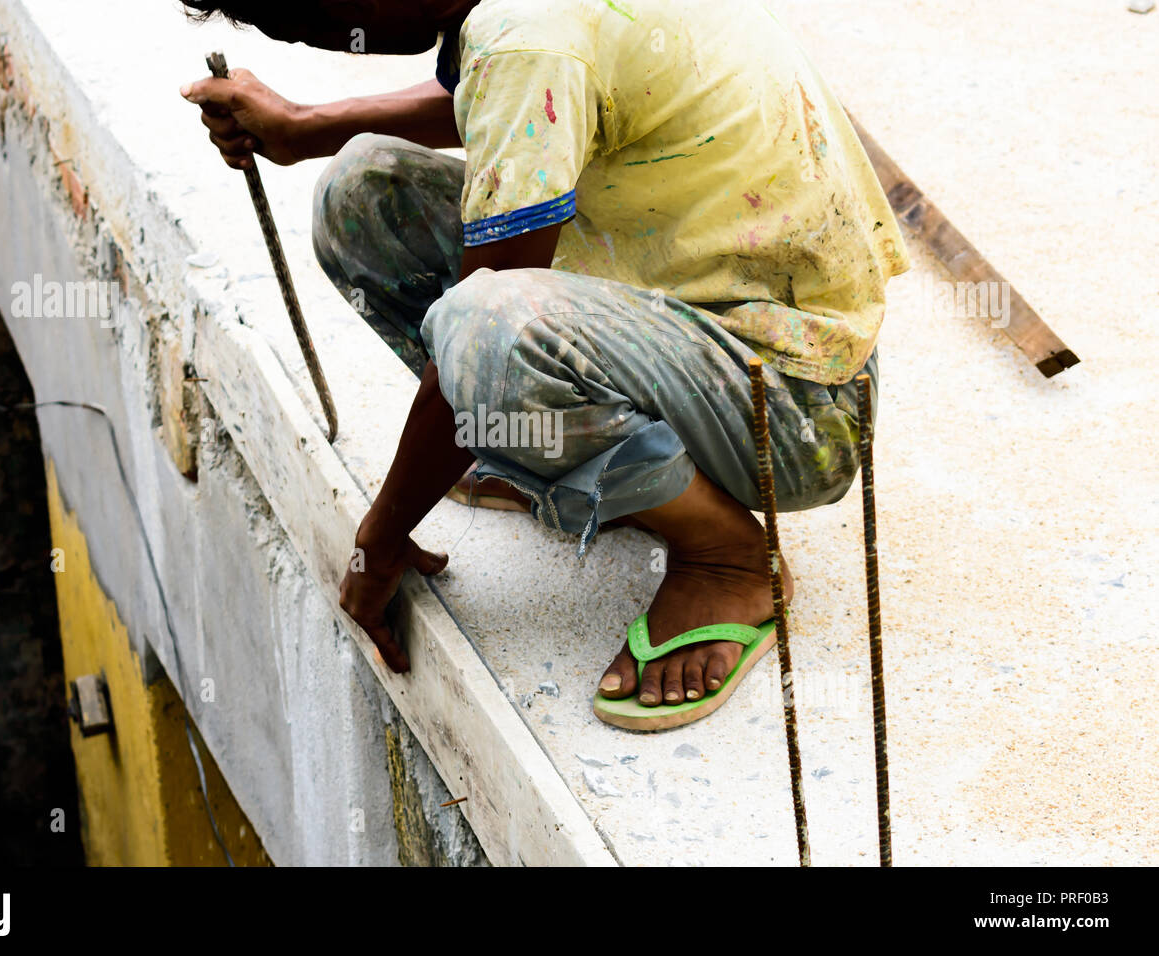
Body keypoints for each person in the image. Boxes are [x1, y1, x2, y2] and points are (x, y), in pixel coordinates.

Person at [179, 0, 908, 729]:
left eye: (316, 21)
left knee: (485, 327)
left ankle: (727, 557)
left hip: (795, 407)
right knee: (366, 196)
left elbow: (481, 314)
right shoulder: (516, 29)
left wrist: (381, 538)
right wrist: (308, 127)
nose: (335, 41)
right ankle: (571, 457)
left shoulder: (527, 35)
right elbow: (519, 95)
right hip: (685, 314)